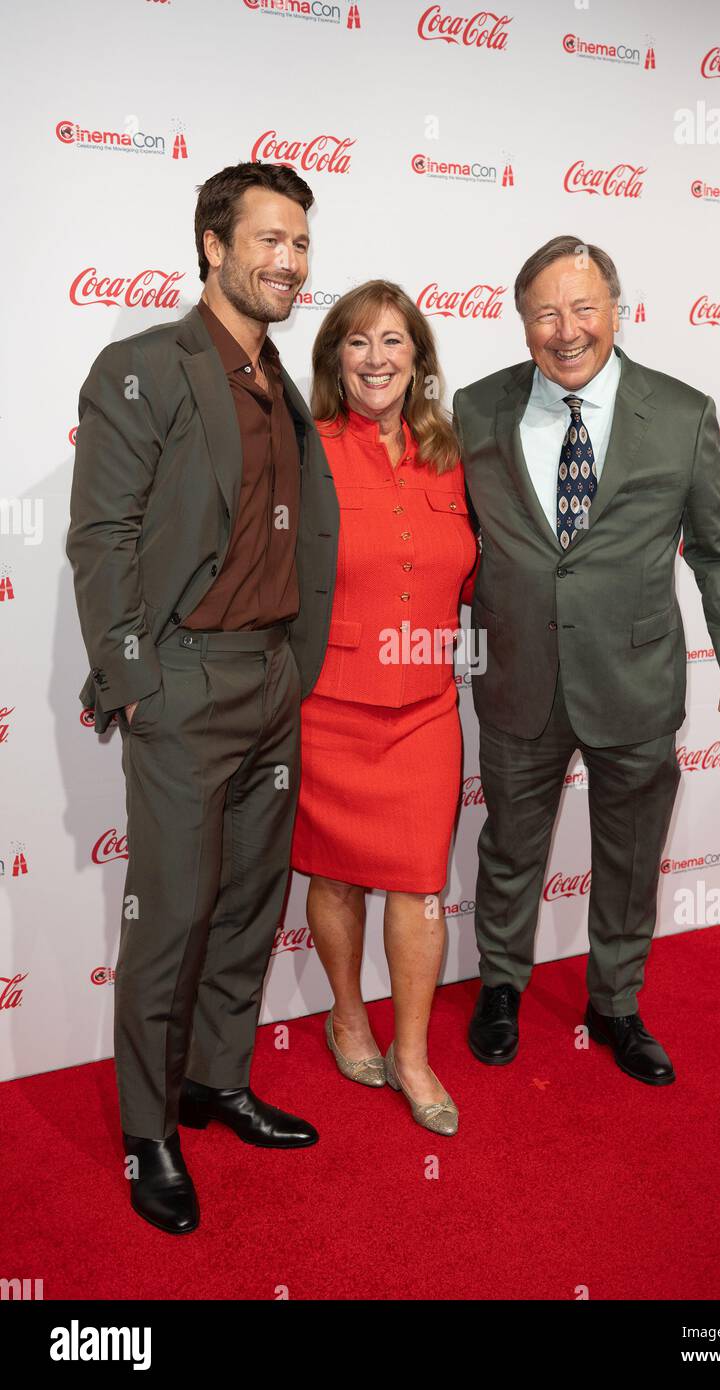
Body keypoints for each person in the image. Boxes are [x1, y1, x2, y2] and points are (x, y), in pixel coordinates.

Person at [66, 162, 338, 1234]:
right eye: (269, 239)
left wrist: (294, 665)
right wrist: (135, 682)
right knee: (168, 914)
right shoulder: (142, 366)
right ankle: (147, 1129)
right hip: (183, 680)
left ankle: (214, 1080)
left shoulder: (280, 378)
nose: (288, 261)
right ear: (213, 246)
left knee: (245, 903)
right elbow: (102, 535)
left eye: (302, 243)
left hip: (272, 674)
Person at [453, 235, 720, 1083]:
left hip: (636, 680)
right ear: (521, 323)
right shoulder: (473, 410)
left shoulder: (680, 412)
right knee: (510, 848)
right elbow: (448, 540)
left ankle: (616, 1003)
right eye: (545, 312)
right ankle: (502, 988)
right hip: (518, 674)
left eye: (582, 308)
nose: (566, 330)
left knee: (629, 854)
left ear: (616, 311)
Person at [290, 281, 478, 1136]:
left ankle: (411, 1053)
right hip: (328, 705)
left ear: (419, 360)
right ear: (335, 358)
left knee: (421, 887)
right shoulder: (308, 449)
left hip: (427, 706)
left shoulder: (451, 454)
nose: (376, 359)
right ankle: (346, 1015)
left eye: (394, 342)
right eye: (358, 343)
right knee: (331, 874)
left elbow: (474, 573)